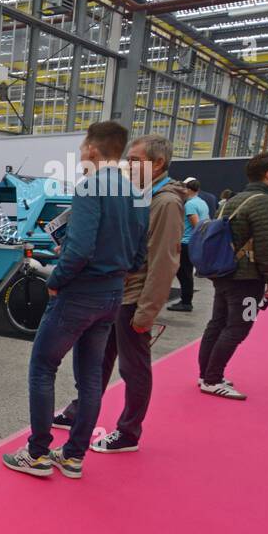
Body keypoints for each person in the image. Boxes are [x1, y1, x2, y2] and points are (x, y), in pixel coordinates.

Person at [3, 121, 146, 479]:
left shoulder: (89, 188)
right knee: (91, 376)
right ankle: (72, 456)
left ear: (94, 150)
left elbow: (80, 250)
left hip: (79, 293)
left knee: (43, 367)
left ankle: (36, 453)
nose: (81, 154)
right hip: (112, 294)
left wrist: (58, 279)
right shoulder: (138, 193)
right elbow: (140, 255)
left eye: (83, 148)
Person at [51, 136, 186, 453]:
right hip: (117, 294)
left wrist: (147, 311)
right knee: (98, 361)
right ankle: (79, 411)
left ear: (158, 164)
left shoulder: (165, 203)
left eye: (136, 159)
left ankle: (128, 432)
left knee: (133, 367)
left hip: (134, 299)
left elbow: (164, 261)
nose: (128, 165)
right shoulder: (141, 196)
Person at [196, 152, 268, 399]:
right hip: (246, 278)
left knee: (217, 323)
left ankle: (205, 374)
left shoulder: (235, 199)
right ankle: (212, 379)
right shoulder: (264, 202)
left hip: (225, 273)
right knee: (238, 326)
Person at [168, 177, 208, 312]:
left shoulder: (190, 204)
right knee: (186, 273)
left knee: (184, 273)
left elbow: (196, 224)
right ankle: (186, 300)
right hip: (192, 242)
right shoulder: (202, 202)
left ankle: (186, 302)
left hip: (185, 243)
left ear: (189, 190)